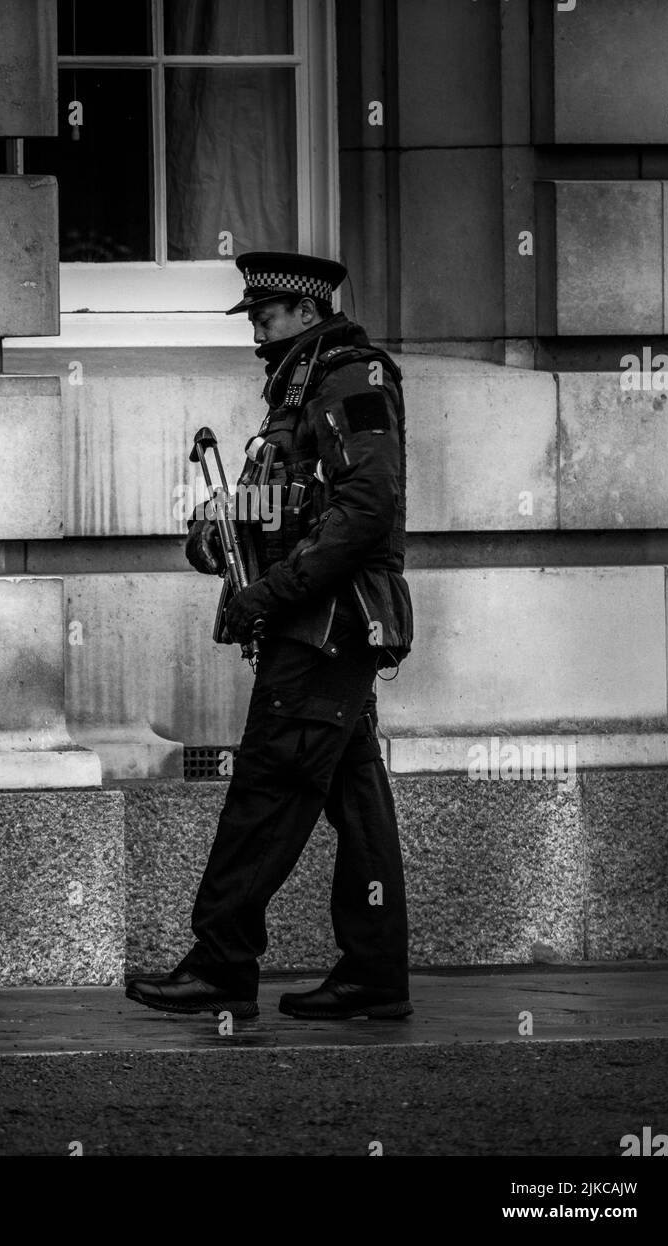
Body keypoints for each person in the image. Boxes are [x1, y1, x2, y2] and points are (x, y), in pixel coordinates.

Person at [126, 251, 413, 1021]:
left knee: (267, 790)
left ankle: (221, 964)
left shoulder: (352, 377)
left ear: (307, 311)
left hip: (329, 623)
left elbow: (366, 507)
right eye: (252, 315)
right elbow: (276, 501)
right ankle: (374, 976)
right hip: (317, 622)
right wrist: (214, 536)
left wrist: (273, 591)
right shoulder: (297, 387)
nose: (255, 328)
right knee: (356, 800)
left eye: (264, 315)